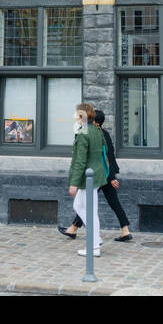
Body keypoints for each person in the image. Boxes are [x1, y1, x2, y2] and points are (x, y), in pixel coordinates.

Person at [62, 109, 132, 242]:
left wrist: (111, 177)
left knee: (85, 204)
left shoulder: (99, 135)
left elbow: (107, 157)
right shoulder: (97, 133)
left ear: (95, 122)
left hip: (100, 175)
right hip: (102, 174)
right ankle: (125, 230)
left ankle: (81, 232)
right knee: (108, 202)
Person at [65, 102, 107, 257]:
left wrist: (73, 183)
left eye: (76, 114)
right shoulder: (97, 130)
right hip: (96, 174)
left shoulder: (84, 132)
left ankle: (95, 245)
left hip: (88, 177)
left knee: (89, 210)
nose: (75, 116)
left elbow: (80, 160)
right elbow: (104, 150)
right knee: (82, 207)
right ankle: (96, 239)